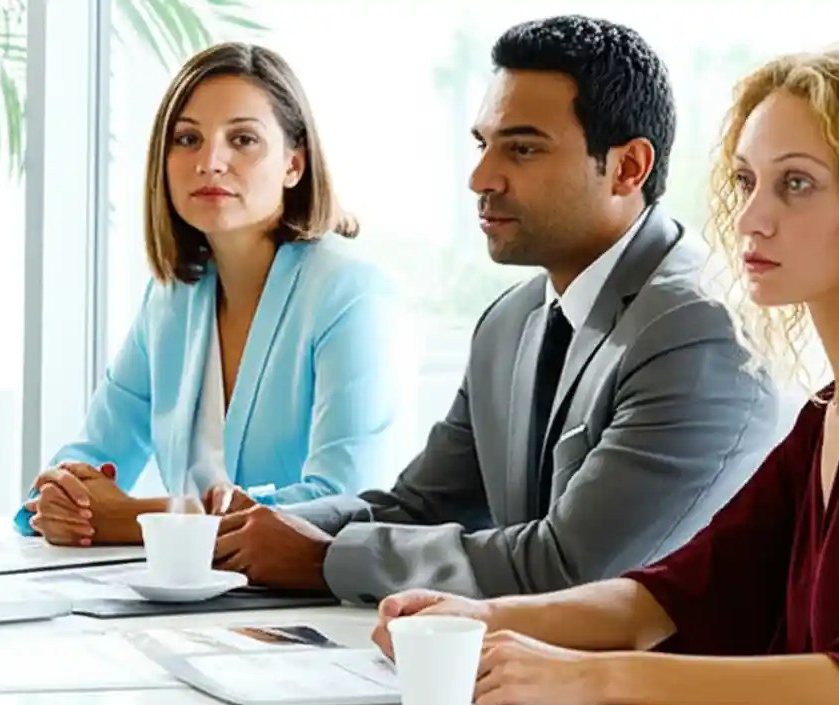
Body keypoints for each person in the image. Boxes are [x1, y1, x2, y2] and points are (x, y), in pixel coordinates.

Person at [209, 15, 781, 599]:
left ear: (628, 168)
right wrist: (249, 531)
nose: (481, 177)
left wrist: (323, 559)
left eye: (523, 149)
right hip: (526, 673)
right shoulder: (511, 320)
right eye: (484, 144)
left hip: (656, 686)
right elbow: (418, 505)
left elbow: (573, 566)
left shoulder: (700, 329)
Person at [370, 42, 839, 705]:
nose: (750, 218)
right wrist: (478, 617)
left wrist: (596, 678)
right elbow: (671, 594)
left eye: (796, 183)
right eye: (746, 181)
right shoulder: (827, 416)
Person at [14, 42, 408, 546]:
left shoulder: (351, 292)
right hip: (189, 602)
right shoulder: (172, 298)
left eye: (243, 139)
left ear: (294, 164)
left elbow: (343, 503)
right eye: (187, 139)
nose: (211, 161)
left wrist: (135, 519)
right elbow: (84, 463)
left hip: (310, 609)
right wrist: (61, 500)